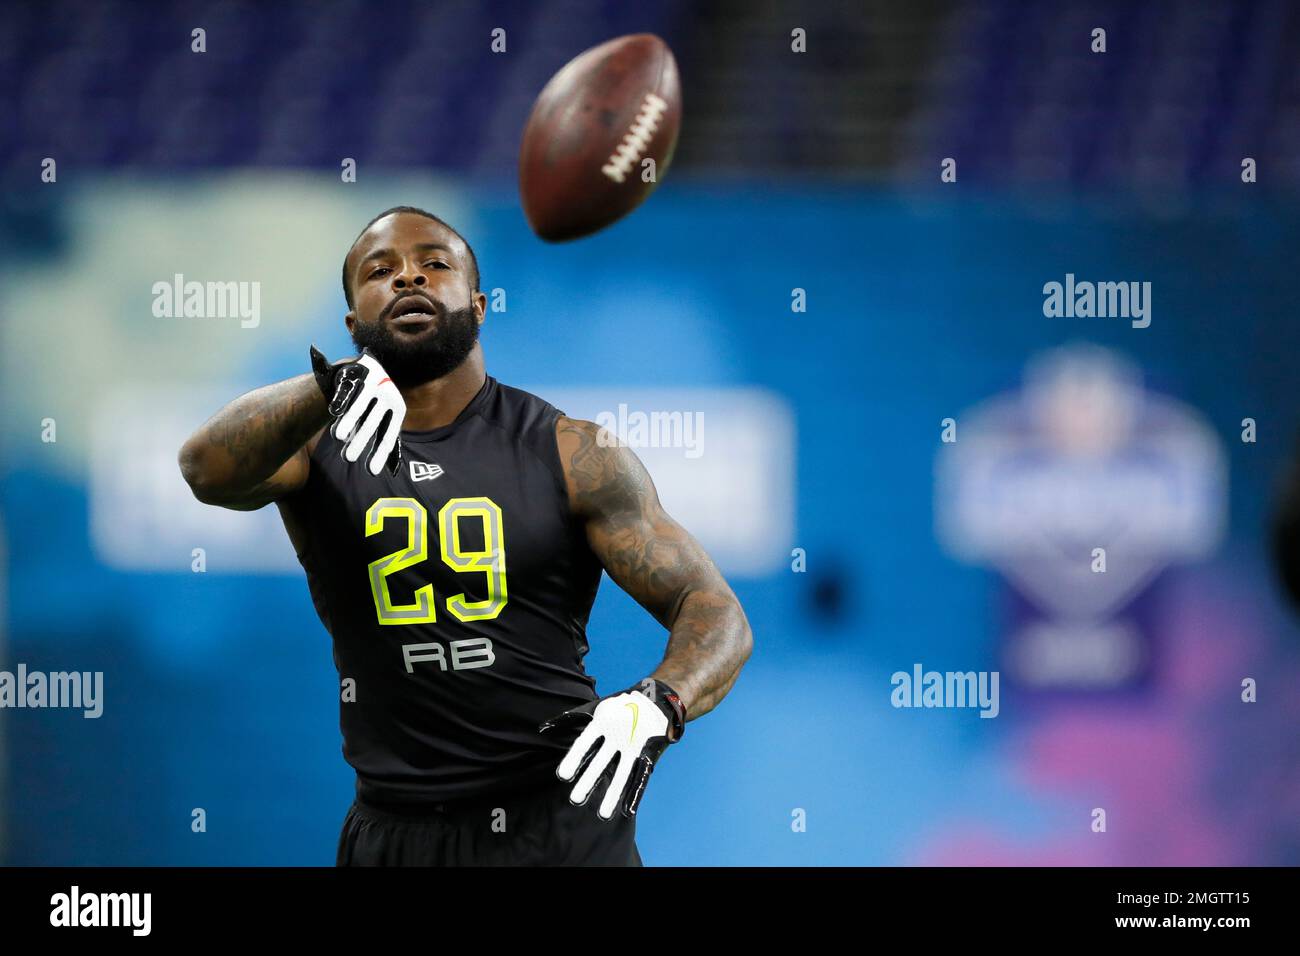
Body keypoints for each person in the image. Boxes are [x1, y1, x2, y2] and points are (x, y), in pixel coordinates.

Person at [177, 206, 752, 865]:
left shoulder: (569, 450)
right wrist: (323, 388)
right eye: (380, 270)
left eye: (434, 263)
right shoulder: (315, 447)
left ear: (478, 306)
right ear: (352, 323)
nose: (407, 278)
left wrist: (660, 703)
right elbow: (205, 469)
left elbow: (714, 608)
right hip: (395, 827)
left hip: (557, 821)